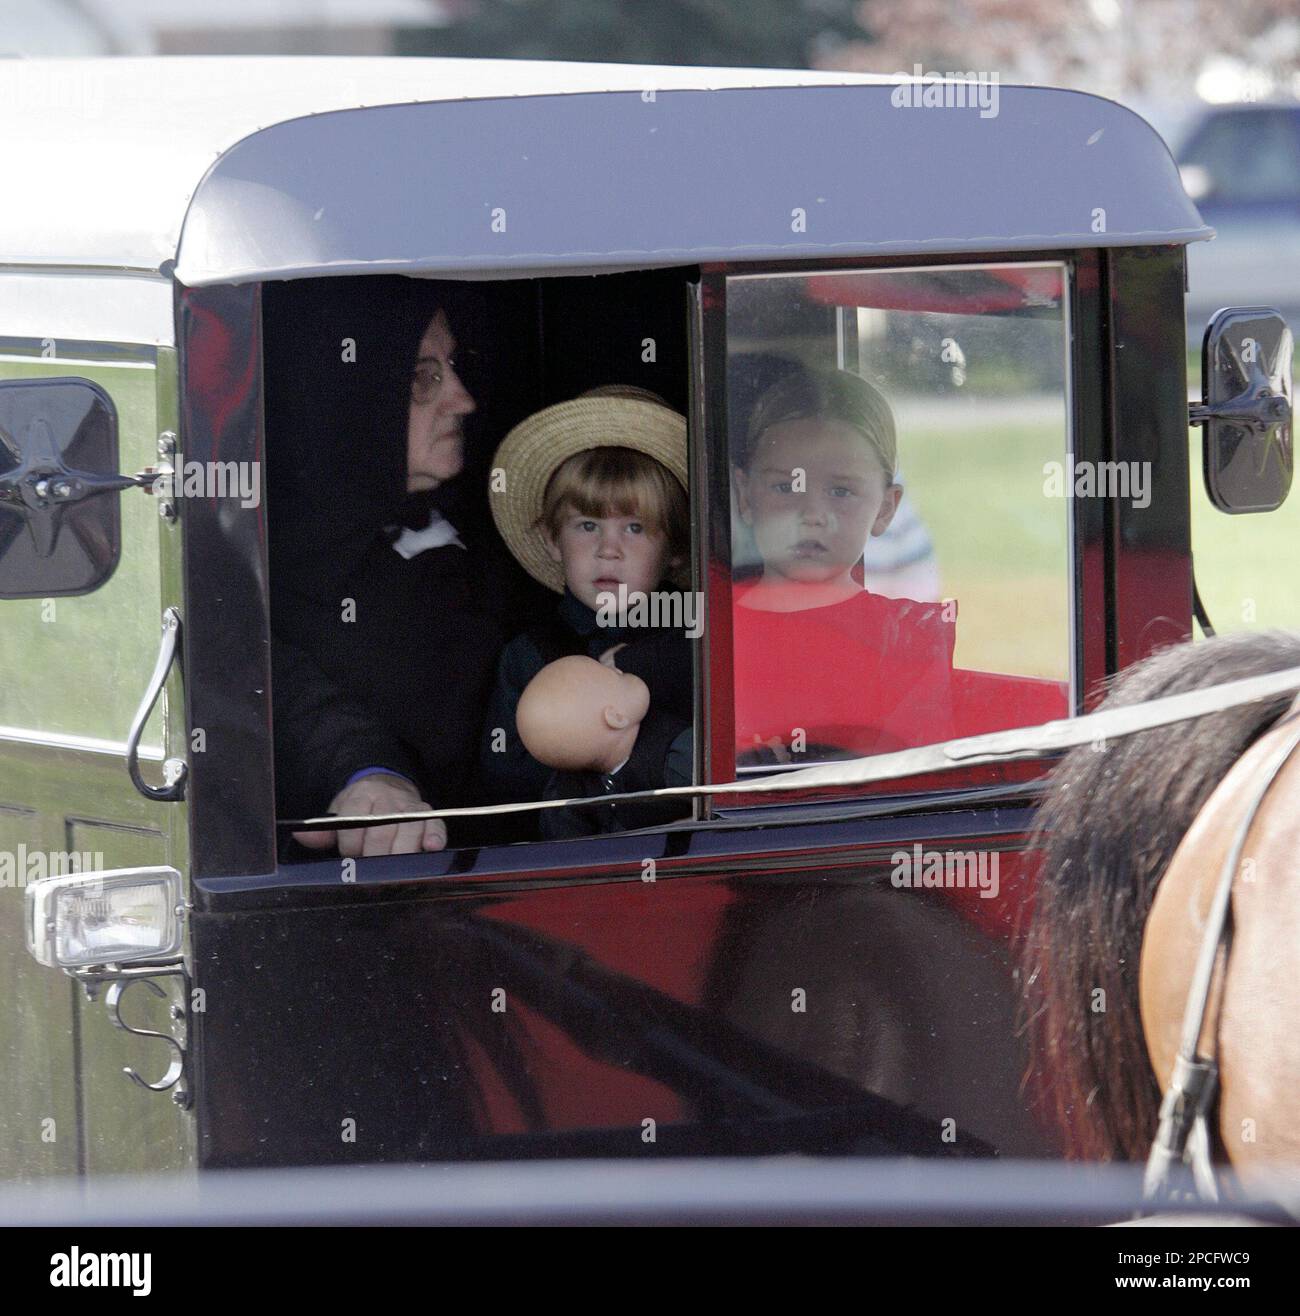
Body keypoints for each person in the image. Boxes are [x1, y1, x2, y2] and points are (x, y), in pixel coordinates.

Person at [263, 275, 542, 858]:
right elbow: (281, 693)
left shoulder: (510, 534)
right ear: (349, 392)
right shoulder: (263, 577)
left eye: (453, 366)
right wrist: (367, 771)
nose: (462, 399)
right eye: (423, 377)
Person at [481, 386, 694, 835]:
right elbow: (506, 787)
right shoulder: (531, 655)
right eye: (587, 525)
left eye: (635, 527)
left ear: (675, 548)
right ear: (552, 540)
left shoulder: (697, 642)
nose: (608, 550)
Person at [731, 368, 956, 763]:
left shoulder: (906, 642)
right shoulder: (710, 633)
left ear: (886, 508)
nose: (813, 514)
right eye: (786, 487)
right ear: (744, 495)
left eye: (841, 491)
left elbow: (913, 791)